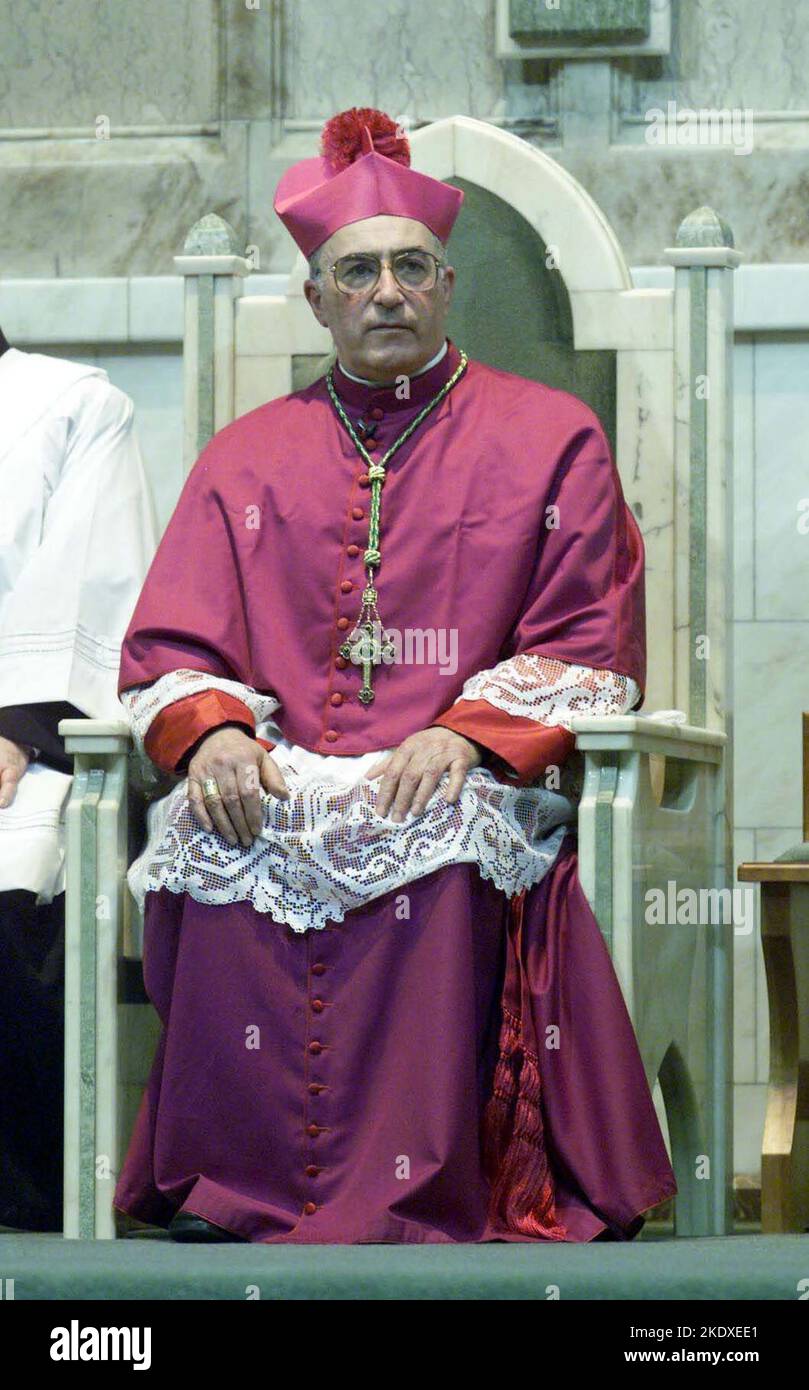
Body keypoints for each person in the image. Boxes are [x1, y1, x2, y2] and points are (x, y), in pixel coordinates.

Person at [113, 106, 677, 1245]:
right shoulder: (245, 457)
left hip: (461, 774)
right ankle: (233, 1186)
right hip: (285, 774)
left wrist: (469, 733)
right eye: (357, 272)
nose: (385, 292)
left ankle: (422, 1191)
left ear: (446, 282)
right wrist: (215, 730)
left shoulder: (549, 436)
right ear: (317, 299)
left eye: (409, 268)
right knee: (216, 828)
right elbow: (172, 641)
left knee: (438, 845)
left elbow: (588, 636)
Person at [0, 325, 157, 1230]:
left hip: (29, 746)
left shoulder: (73, 406)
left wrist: (16, 725)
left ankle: (19, 1203)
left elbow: (95, 587)